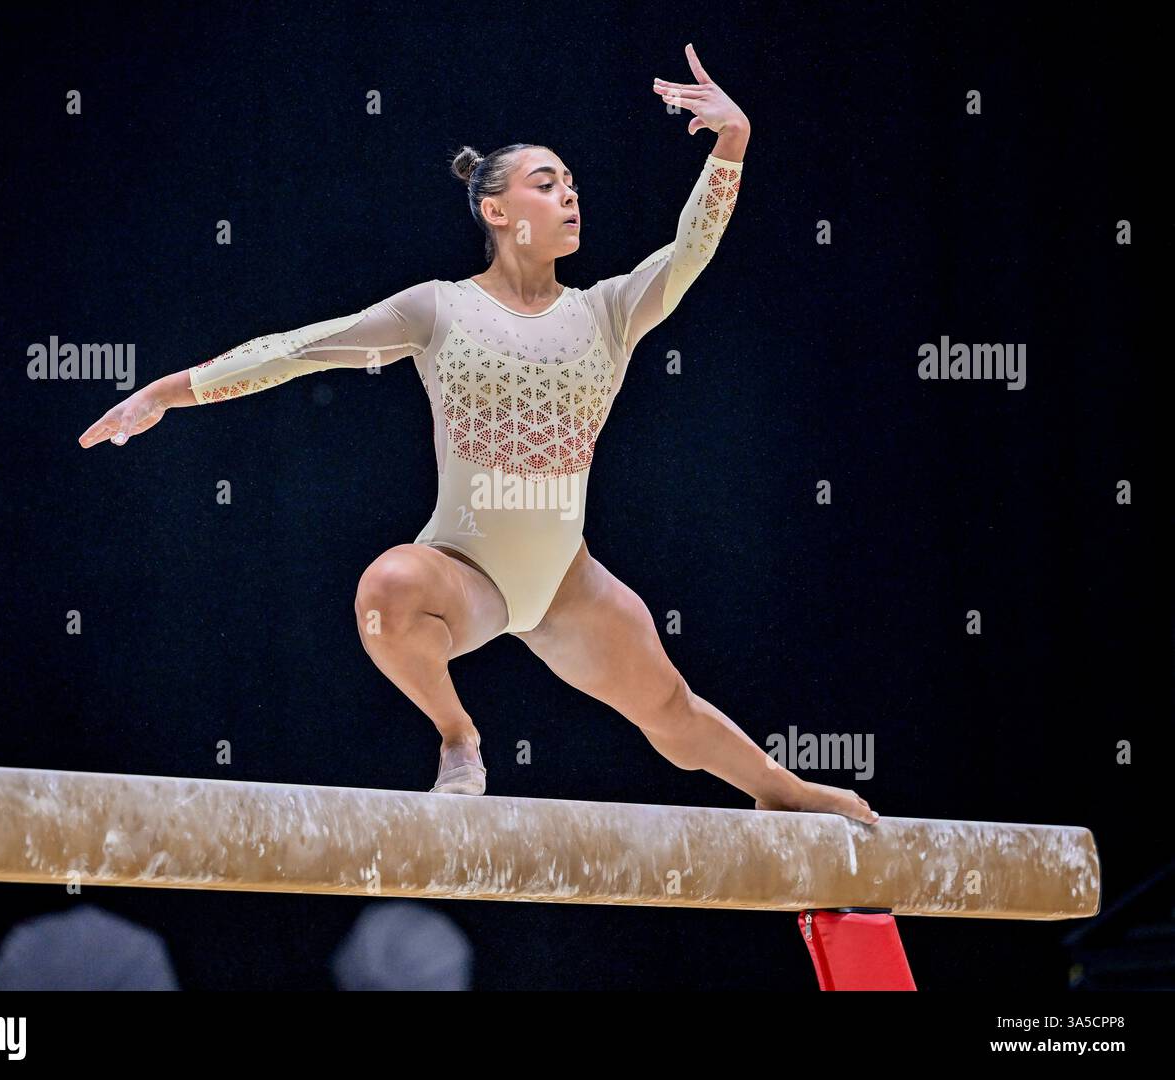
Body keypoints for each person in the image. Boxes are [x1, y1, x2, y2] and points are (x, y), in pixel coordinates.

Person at [79, 44, 878, 825]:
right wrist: (164, 393)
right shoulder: (440, 310)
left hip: (568, 582)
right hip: (467, 573)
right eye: (545, 182)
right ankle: (459, 735)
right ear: (496, 210)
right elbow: (300, 348)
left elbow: (693, 247)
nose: (569, 196)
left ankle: (780, 787)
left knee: (671, 713)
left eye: (572, 183)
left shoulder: (608, 312)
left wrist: (732, 144)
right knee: (387, 593)